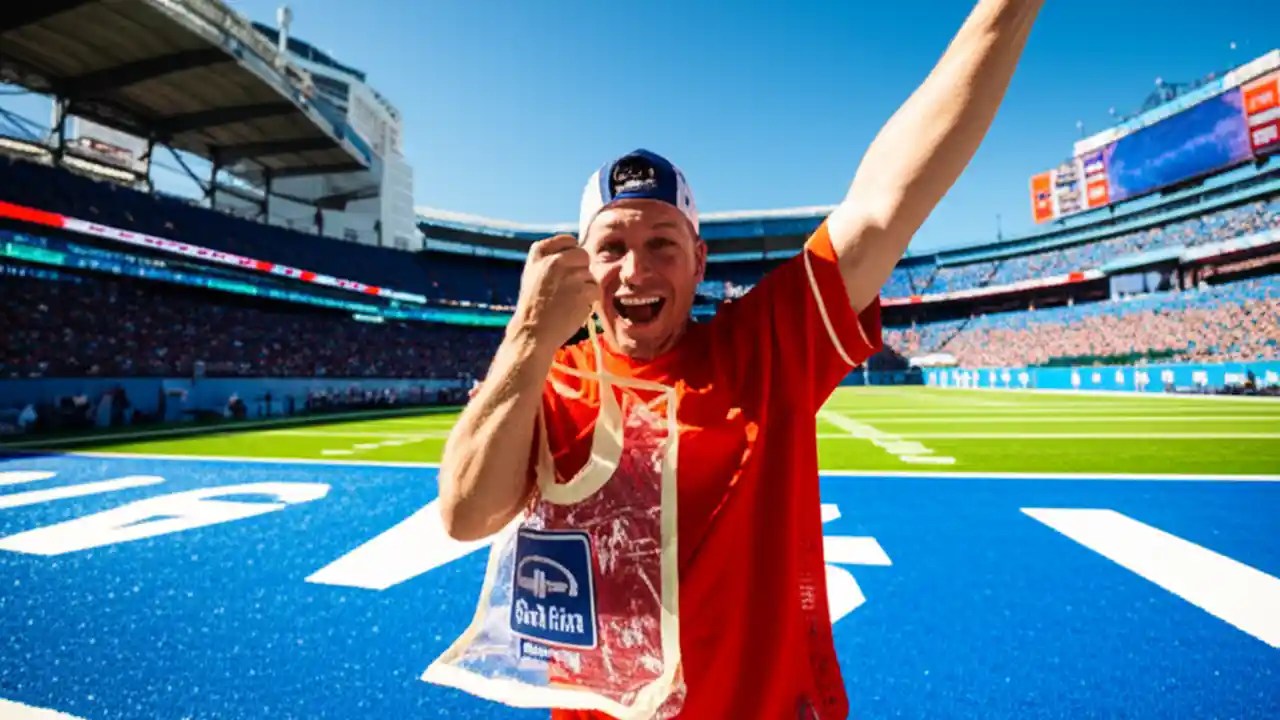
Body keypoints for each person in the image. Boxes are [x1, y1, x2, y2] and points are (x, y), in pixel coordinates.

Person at [438, 1, 1044, 717]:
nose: (635, 270)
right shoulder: (547, 379)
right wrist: (529, 338)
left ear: (700, 261)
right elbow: (465, 515)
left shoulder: (766, 348)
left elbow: (886, 202)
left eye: (662, 243)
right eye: (611, 248)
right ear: (578, 265)